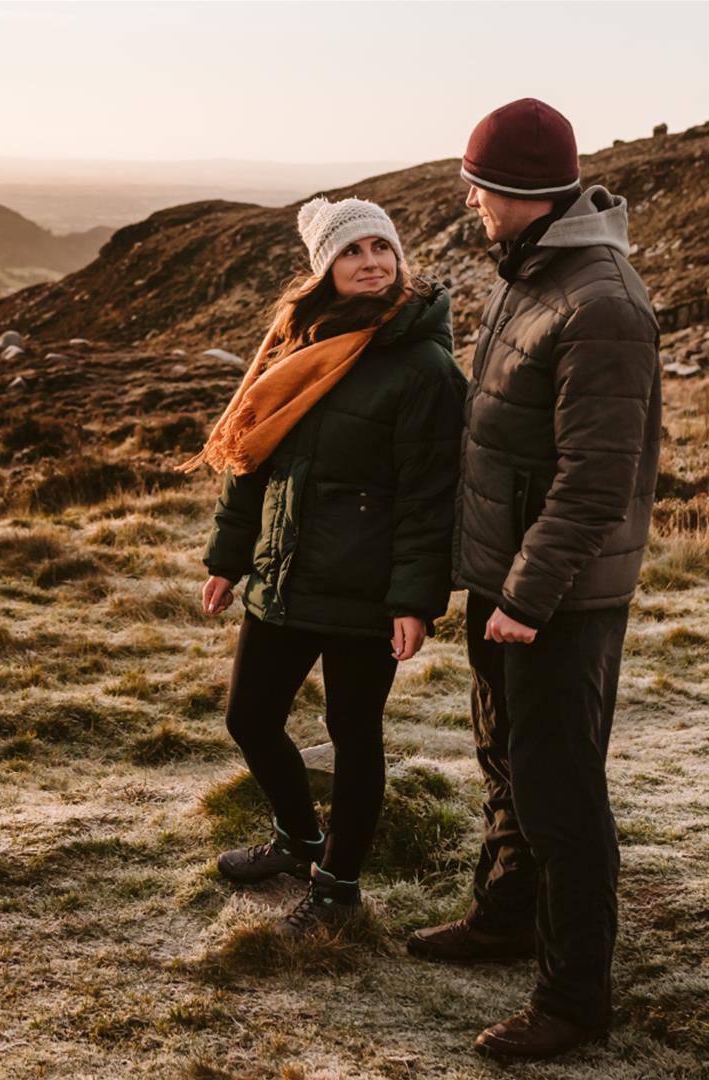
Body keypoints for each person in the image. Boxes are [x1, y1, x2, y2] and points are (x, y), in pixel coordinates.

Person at [404, 99, 661, 1061]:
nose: (469, 199)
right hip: (503, 579)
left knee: (560, 795)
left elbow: (596, 483)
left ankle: (573, 1001)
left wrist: (524, 598)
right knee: (507, 763)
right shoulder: (533, 272)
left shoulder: (602, 304)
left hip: (555, 597)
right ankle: (505, 917)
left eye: (482, 186)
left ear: (523, 194)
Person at [182, 195, 466, 938]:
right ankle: (299, 838)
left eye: (381, 247)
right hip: (284, 573)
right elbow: (252, 466)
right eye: (352, 251)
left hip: (366, 591)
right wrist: (228, 559)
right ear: (325, 269)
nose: (371, 262)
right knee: (249, 717)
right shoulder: (298, 345)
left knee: (354, 731)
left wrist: (413, 600)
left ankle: (338, 888)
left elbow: (429, 499)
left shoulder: (424, 365)